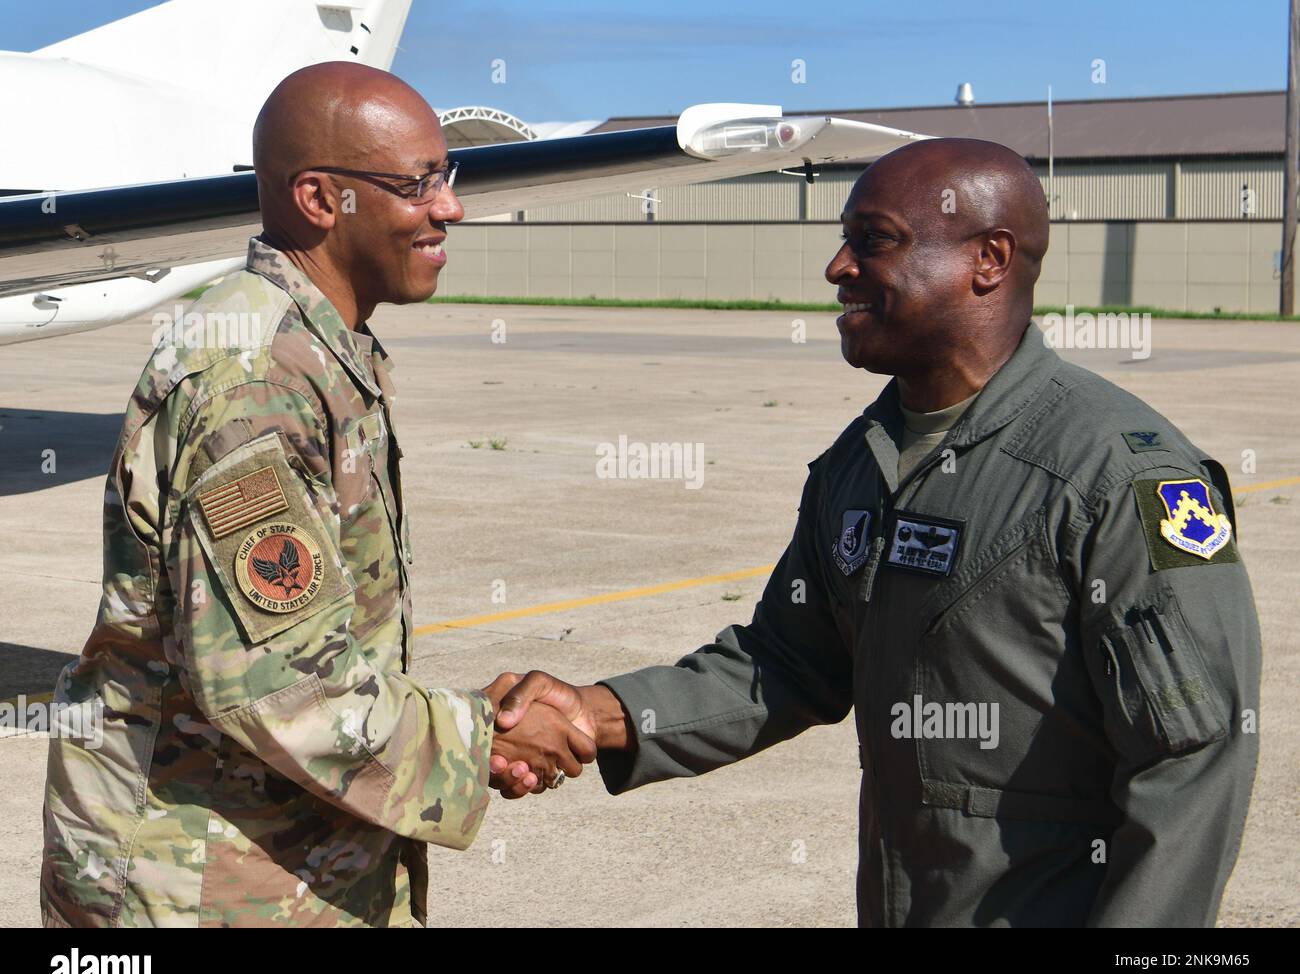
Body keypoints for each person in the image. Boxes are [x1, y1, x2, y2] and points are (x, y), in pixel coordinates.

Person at [492, 138, 1262, 927]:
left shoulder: (1120, 476)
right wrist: (595, 712)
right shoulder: (858, 465)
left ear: (988, 258)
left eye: (874, 240)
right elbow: (787, 663)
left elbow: (1192, 760)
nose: (837, 267)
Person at [40, 62, 592, 929]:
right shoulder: (250, 376)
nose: (449, 208)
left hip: (277, 855)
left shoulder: (315, 347)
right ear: (318, 199)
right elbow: (277, 686)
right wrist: (482, 739)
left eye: (445, 179)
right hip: (192, 883)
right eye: (415, 184)